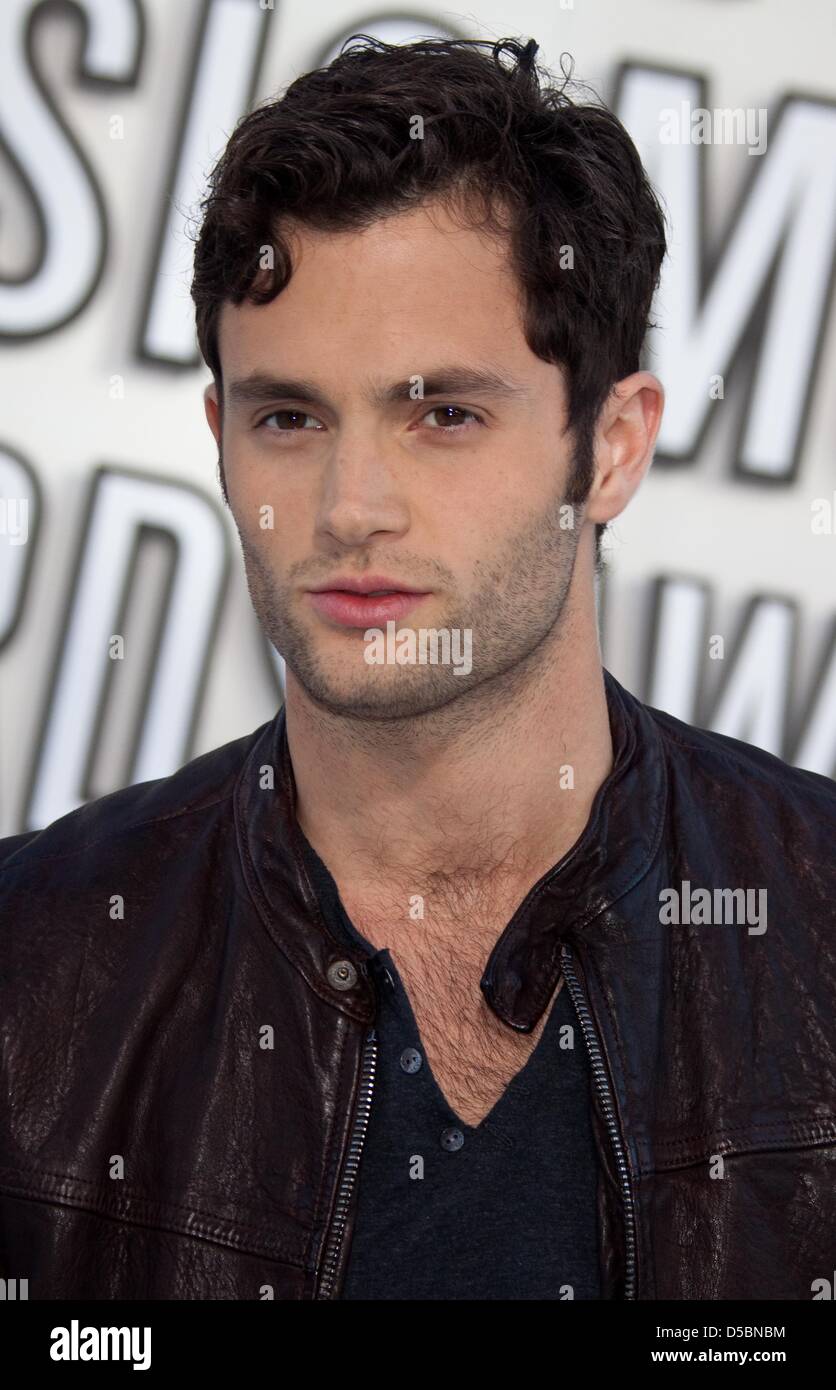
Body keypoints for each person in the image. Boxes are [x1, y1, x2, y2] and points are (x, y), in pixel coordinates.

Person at [1, 35, 833, 1301]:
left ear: (609, 447)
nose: (351, 508)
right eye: (290, 417)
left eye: (442, 413)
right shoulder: (33, 969)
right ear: (220, 440)